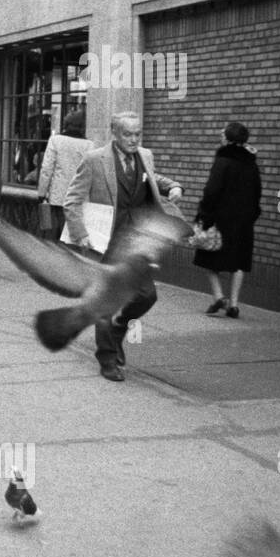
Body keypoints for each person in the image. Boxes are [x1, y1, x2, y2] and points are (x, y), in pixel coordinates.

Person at [64, 111, 185, 382]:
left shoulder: (145, 155)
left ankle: (119, 329)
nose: (133, 139)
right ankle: (107, 359)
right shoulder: (94, 159)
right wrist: (80, 234)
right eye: (128, 134)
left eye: (137, 134)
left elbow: (152, 178)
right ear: (115, 134)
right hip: (104, 241)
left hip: (137, 242)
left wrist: (174, 186)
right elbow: (72, 200)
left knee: (147, 296)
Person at [194, 122, 262, 319]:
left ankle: (218, 297)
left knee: (208, 255)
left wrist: (204, 215)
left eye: (222, 131)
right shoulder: (251, 163)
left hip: (221, 219)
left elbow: (211, 191)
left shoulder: (222, 161)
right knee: (239, 260)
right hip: (244, 222)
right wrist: (252, 214)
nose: (219, 133)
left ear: (229, 138)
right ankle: (233, 305)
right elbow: (257, 192)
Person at [37, 110, 92, 239]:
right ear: (81, 126)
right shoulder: (89, 145)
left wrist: (42, 193)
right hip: (80, 196)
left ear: (66, 124)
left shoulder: (56, 141)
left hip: (58, 195)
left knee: (57, 228)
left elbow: (46, 169)